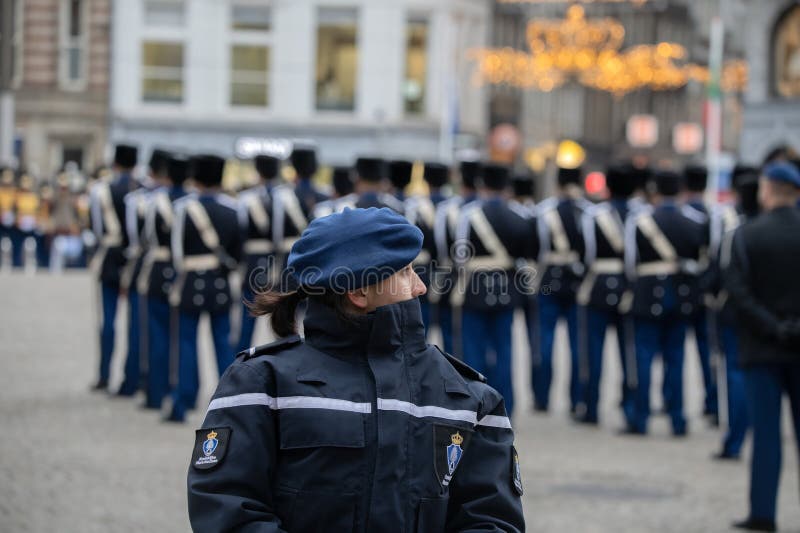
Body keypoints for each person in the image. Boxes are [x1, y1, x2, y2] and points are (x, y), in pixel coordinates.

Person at [187, 207, 525, 532]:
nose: (420, 287)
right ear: (359, 291)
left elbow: (492, 520)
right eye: (406, 272)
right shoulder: (260, 385)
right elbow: (227, 507)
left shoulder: (470, 398)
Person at [728, 161, 800, 532]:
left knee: (766, 435)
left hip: (762, 347)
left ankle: (763, 512)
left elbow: (739, 294)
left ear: (767, 190)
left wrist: (774, 327)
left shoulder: (746, 234)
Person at [623, 170, 707, 436]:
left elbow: (630, 263)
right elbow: (701, 262)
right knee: (676, 359)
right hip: (680, 295)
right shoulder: (694, 220)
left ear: (655, 190)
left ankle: (640, 418)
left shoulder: (639, 220)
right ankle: (678, 419)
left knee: (644, 359)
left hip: (647, 294)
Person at [454, 164, 534, 417]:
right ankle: (505, 405)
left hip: (475, 288)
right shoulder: (520, 216)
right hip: (508, 289)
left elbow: (459, 255)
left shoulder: (468, 215)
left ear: (482, 185)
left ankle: (475, 406)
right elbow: (527, 256)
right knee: (505, 351)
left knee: (473, 351)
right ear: (506, 187)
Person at [167, 154, 242, 422]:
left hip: (190, 282)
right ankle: (228, 401)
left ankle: (183, 400)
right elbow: (237, 253)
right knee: (223, 342)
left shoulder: (183, 209)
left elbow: (177, 254)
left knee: (186, 343)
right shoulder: (234, 209)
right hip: (220, 283)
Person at [576, 164, 636, 425]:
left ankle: (591, 408)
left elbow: (586, 255)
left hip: (598, 286)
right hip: (630, 287)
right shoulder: (641, 213)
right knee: (629, 354)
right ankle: (631, 408)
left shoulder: (592, 216)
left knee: (593, 353)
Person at [532, 166, 590, 413]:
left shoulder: (543, 211)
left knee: (544, 342)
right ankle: (577, 399)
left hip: (549, 280)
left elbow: (536, 250)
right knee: (578, 345)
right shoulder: (589, 213)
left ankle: (542, 397)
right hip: (578, 282)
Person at [712, 166, 759, 460]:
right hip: (776, 317)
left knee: (736, 375)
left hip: (738, 311)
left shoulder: (734, 233)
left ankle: (735, 440)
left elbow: (721, 275)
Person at [139, 154, 188, 410]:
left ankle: (155, 393)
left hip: (158, 270)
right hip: (185, 273)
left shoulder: (154, 202)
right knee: (182, 338)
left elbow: (146, 237)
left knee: (157, 335)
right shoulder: (191, 203)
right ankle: (183, 390)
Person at [89, 143, 139, 391]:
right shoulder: (143, 189)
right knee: (136, 323)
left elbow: (97, 229)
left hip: (110, 256)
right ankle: (131, 379)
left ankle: (104, 374)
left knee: (108, 320)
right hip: (137, 260)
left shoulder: (100, 190)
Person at [235, 154, 281, 354]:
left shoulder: (246, 199)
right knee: (281, 321)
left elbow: (240, 233)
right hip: (280, 262)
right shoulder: (285, 196)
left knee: (247, 319)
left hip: (254, 261)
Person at [682, 165, 718, 421]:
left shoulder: (685, 214)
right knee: (708, 350)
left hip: (680, 287)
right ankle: (712, 400)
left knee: (674, 351)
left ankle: (673, 401)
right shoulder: (713, 215)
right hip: (705, 291)